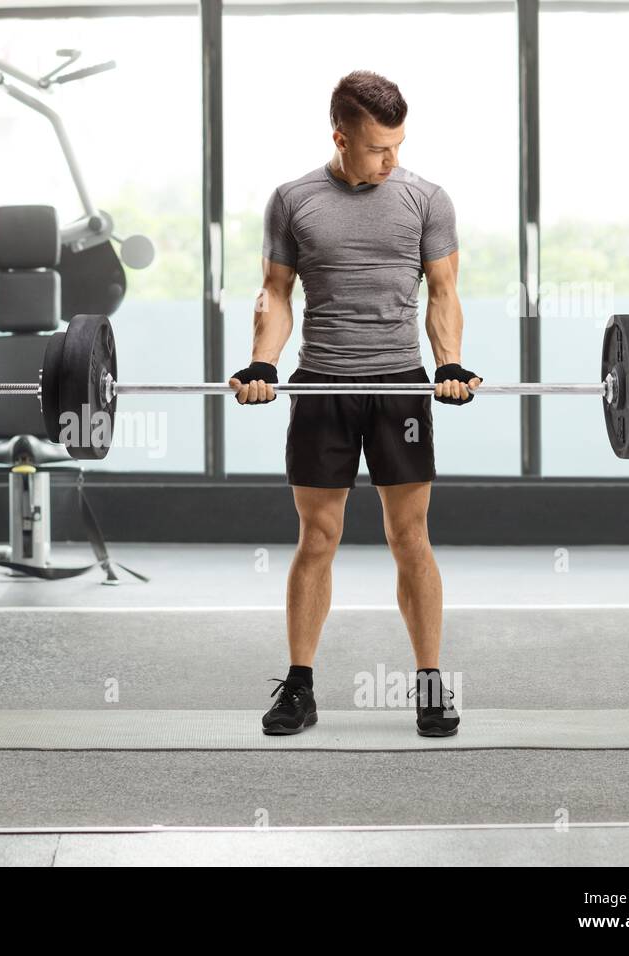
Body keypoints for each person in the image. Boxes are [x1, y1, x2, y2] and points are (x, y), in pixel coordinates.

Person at [231, 70, 476, 738]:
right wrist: (263, 363)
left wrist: (449, 364)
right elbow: (275, 293)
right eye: (377, 148)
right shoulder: (292, 200)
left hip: (399, 386)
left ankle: (429, 685)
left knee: (410, 538)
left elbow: (443, 291)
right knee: (318, 537)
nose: (392, 160)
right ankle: (300, 689)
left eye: (398, 144)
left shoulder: (427, 199)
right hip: (322, 389)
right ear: (340, 137)